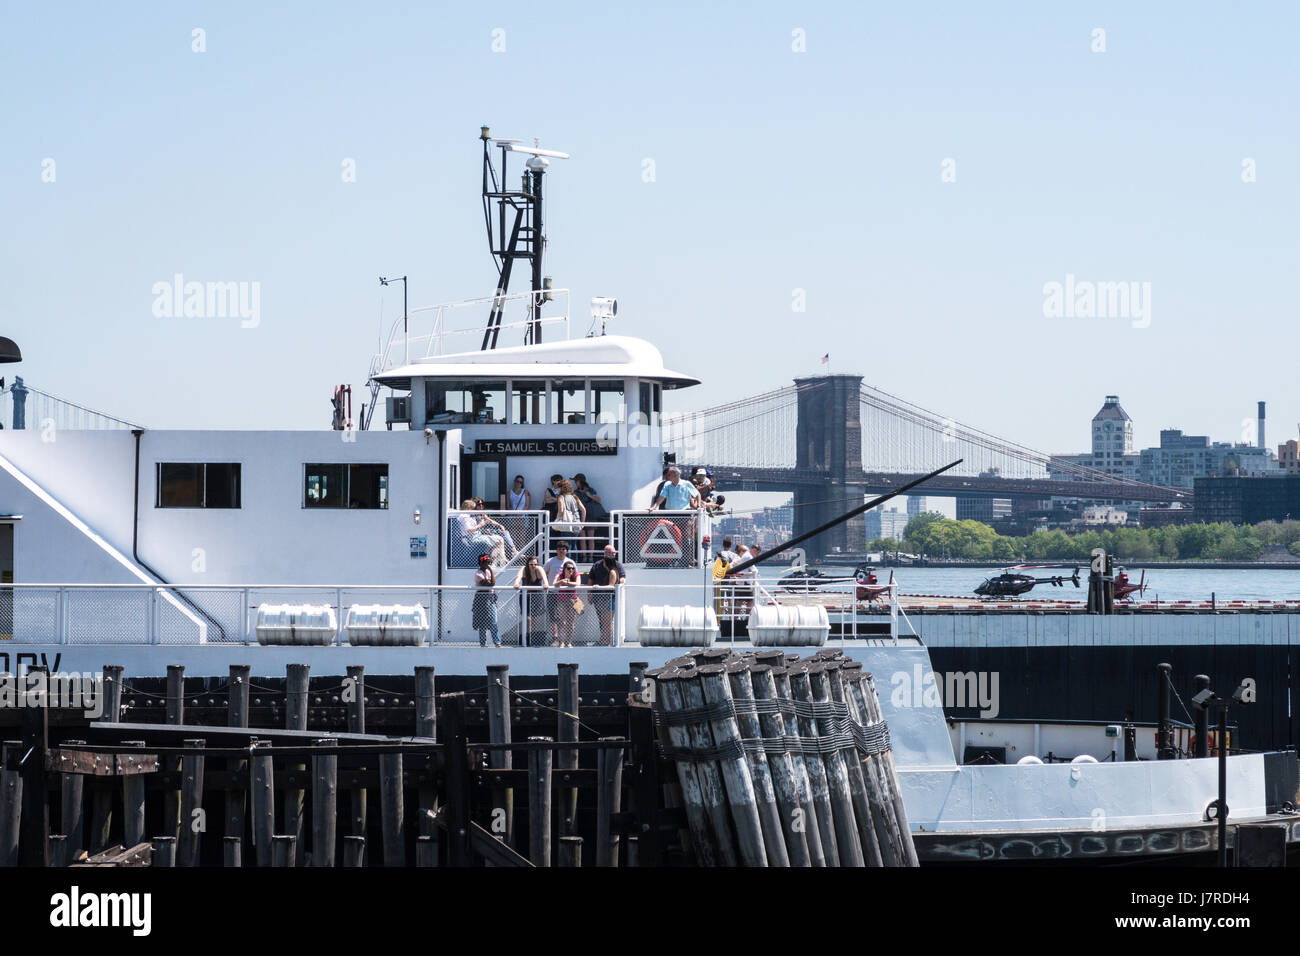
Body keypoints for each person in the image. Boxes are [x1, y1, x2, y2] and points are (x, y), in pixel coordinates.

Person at [588, 543, 626, 646]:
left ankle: (609, 641)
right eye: (608, 553)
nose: (610, 555)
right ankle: (605, 640)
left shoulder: (615, 569)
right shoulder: (597, 565)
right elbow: (590, 579)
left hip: (610, 598)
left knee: (608, 622)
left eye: (612, 553)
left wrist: (598, 587)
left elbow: (617, 582)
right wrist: (589, 593)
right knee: (603, 621)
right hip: (598, 598)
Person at [513, 555, 550, 647]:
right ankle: (526, 636)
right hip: (525, 595)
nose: (533, 566)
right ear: (527, 564)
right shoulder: (524, 569)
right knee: (527, 618)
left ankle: (533, 637)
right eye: (531, 564)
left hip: (537, 595)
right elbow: (518, 577)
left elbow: (545, 578)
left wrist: (546, 584)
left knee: (534, 618)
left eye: (535, 564)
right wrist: (516, 583)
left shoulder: (539, 569)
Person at [458, 500, 507, 566]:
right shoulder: (464, 516)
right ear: (468, 508)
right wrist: (481, 524)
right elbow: (469, 530)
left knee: (497, 542)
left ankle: (495, 562)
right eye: (472, 508)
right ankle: (500, 561)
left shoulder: (466, 516)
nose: (473, 510)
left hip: (476, 535)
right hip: (473, 538)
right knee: (499, 540)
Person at [572, 473, 608, 556]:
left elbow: (599, 500)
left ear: (580, 481)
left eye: (576, 481)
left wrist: (590, 496)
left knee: (591, 537)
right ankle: (584, 556)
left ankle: (591, 556)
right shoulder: (575, 492)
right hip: (580, 516)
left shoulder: (591, 490)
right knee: (582, 538)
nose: (575, 483)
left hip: (591, 516)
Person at [543, 542, 571, 643]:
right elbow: (543, 574)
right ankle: (555, 638)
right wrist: (546, 584)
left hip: (567, 594)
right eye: (559, 549)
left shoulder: (570, 562)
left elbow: (575, 576)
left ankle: (566, 640)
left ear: (567, 551)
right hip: (553, 592)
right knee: (553, 616)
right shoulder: (550, 562)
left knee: (566, 617)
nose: (561, 551)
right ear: (556, 550)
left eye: (563, 549)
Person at [472, 554, 501, 647]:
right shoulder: (479, 574)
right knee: (482, 622)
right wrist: (491, 570)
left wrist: (489, 570)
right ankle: (483, 643)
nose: (488, 564)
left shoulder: (487, 572)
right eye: (486, 562)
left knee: (493, 621)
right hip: (481, 599)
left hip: (490, 597)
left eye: (489, 562)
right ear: (481, 563)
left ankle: (497, 642)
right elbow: (491, 583)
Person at [552, 478, 587, 551]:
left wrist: (557, 520)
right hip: (577, 524)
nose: (557, 490)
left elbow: (561, 510)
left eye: (558, 487)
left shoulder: (561, 497)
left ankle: (567, 562)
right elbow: (583, 510)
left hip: (566, 524)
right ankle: (574, 562)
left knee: (566, 546)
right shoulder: (574, 496)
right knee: (574, 545)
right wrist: (582, 523)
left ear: (562, 488)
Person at [553, 559, 581, 647]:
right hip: (562, 600)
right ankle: (562, 642)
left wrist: (568, 583)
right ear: (564, 569)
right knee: (562, 622)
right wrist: (561, 581)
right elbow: (554, 583)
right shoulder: (560, 575)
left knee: (571, 622)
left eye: (572, 568)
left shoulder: (576, 575)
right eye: (568, 568)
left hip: (573, 600)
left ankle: (569, 642)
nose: (571, 570)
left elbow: (578, 584)